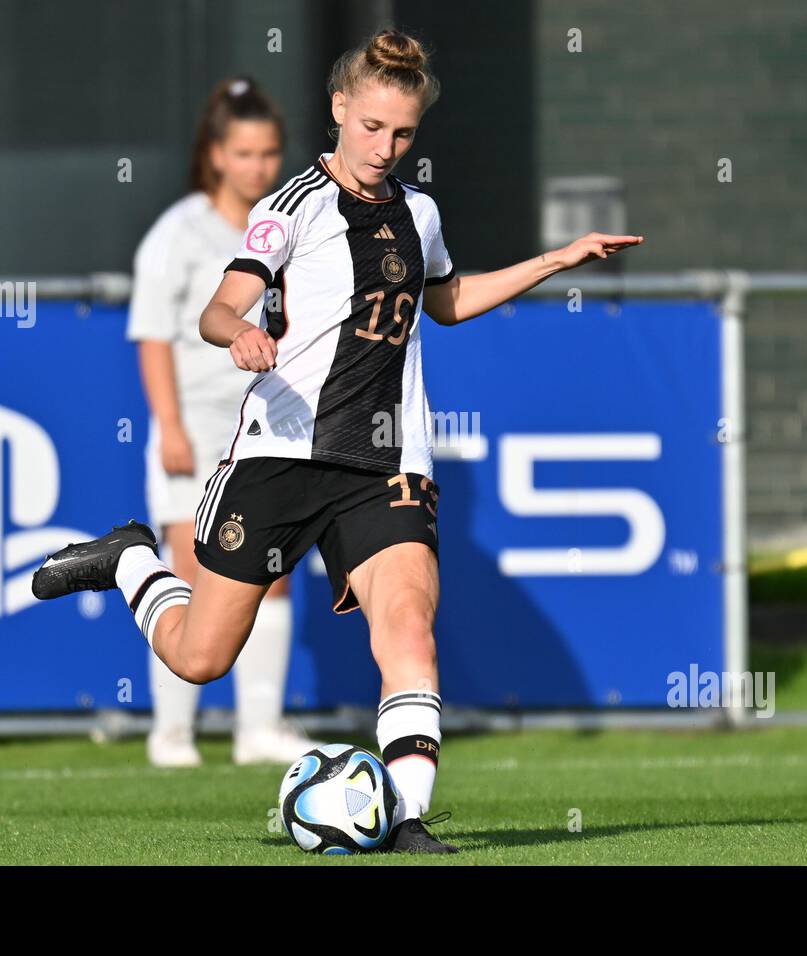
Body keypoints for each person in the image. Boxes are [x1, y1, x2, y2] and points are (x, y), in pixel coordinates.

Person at [33, 28, 642, 853]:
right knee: (201, 657)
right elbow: (221, 305)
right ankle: (130, 559)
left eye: (403, 134)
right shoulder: (288, 209)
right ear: (338, 108)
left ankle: (411, 821)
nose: (385, 148)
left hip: (387, 461)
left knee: (407, 623)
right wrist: (236, 335)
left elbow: (447, 301)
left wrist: (556, 260)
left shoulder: (418, 212)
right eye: (371, 128)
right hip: (279, 454)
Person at [127, 76, 313, 767]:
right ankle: (172, 732)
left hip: (268, 423)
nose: (256, 167)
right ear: (215, 155)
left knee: (272, 568)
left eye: (267, 154)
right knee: (192, 567)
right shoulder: (178, 231)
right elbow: (151, 336)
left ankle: (257, 729)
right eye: (242, 153)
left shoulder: (284, 226)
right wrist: (169, 426)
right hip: (197, 424)